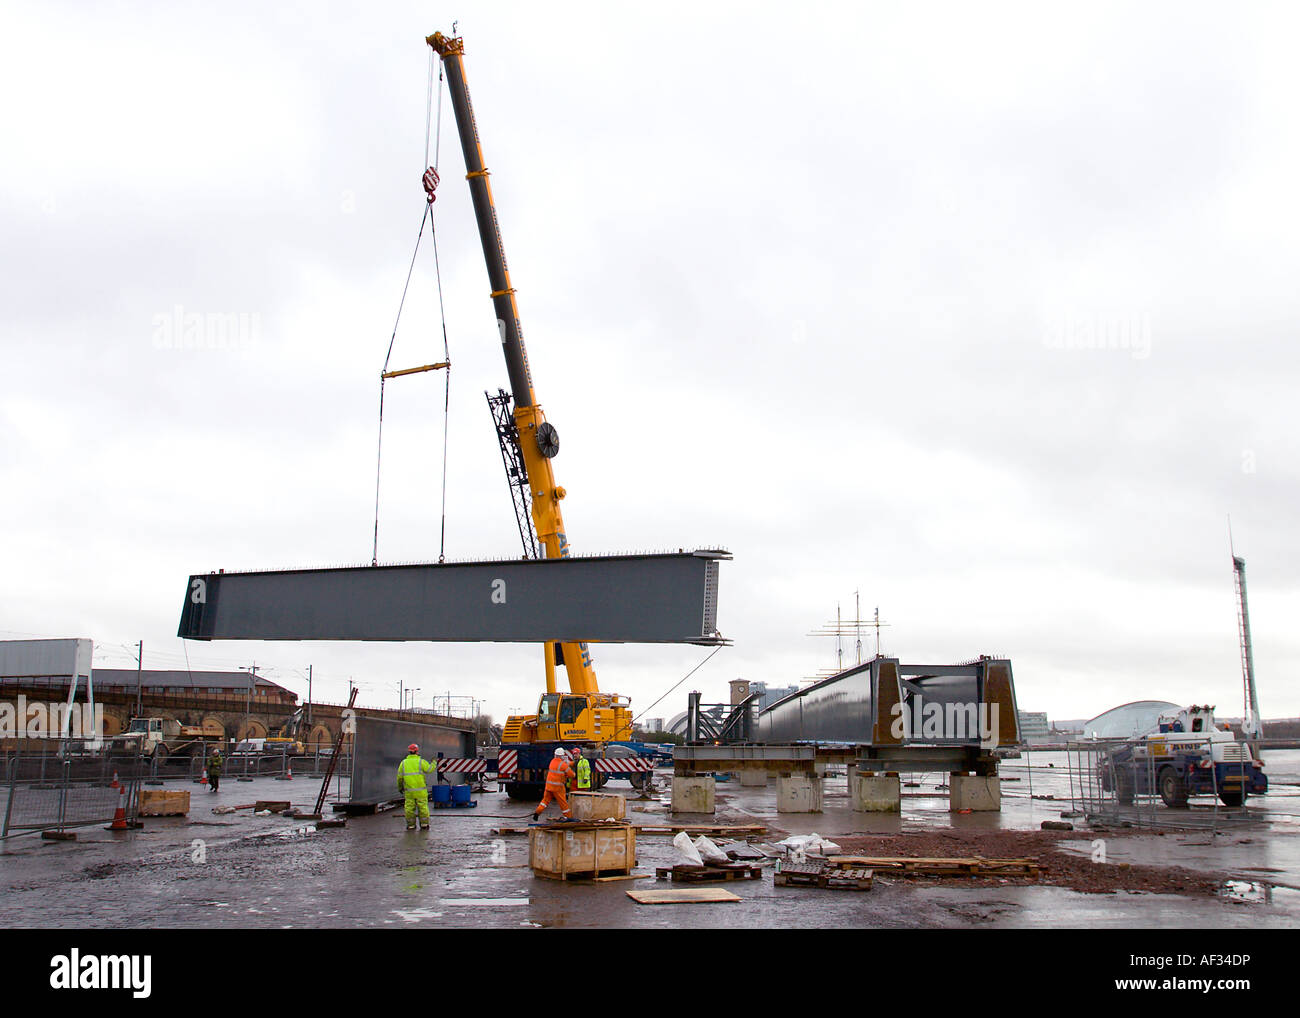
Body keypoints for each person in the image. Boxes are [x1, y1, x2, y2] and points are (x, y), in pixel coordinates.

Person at [397, 743, 435, 831]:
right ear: (417, 751)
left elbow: (399, 778)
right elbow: (429, 769)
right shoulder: (421, 762)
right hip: (421, 792)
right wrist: (434, 762)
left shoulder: (403, 763)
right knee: (423, 808)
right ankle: (424, 824)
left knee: (409, 809)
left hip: (409, 792)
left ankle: (411, 825)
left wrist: (400, 788)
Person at [532, 748, 574, 823]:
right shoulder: (563, 765)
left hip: (549, 787)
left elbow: (563, 766)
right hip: (558, 788)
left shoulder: (552, 762)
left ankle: (537, 813)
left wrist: (572, 763)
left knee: (544, 801)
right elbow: (571, 774)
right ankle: (569, 818)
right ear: (562, 756)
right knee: (563, 804)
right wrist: (574, 773)